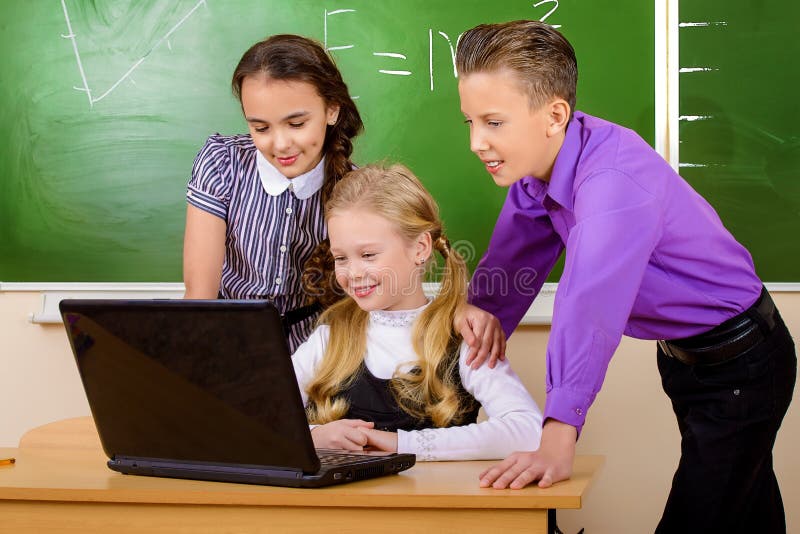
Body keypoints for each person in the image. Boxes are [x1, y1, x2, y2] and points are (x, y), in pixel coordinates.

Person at [455, 19, 796, 532]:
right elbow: (517, 251)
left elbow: (588, 300)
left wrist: (559, 430)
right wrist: (486, 312)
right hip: (688, 361)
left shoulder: (611, 181)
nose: (477, 142)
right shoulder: (541, 168)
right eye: (470, 122)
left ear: (554, 115)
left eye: (494, 123)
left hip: (742, 364)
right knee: (744, 509)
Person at [183, 34, 505, 358]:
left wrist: (453, 309)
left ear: (332, 109)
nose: (280, 144)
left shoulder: (355, 189)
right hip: (226, 342)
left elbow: (394, 281)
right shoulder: (222, 163)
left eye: (296, 123)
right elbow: (201, 296)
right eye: (261, 128)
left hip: (322, 352)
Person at [291, 163, 543, 460]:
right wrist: (313, 436)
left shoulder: (461, 339)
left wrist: (402, 445)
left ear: (421, 248)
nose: (353, 272)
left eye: (368, 255)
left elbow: (529, 431)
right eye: (341, 258)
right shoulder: (328, 340)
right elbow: (254, 420)